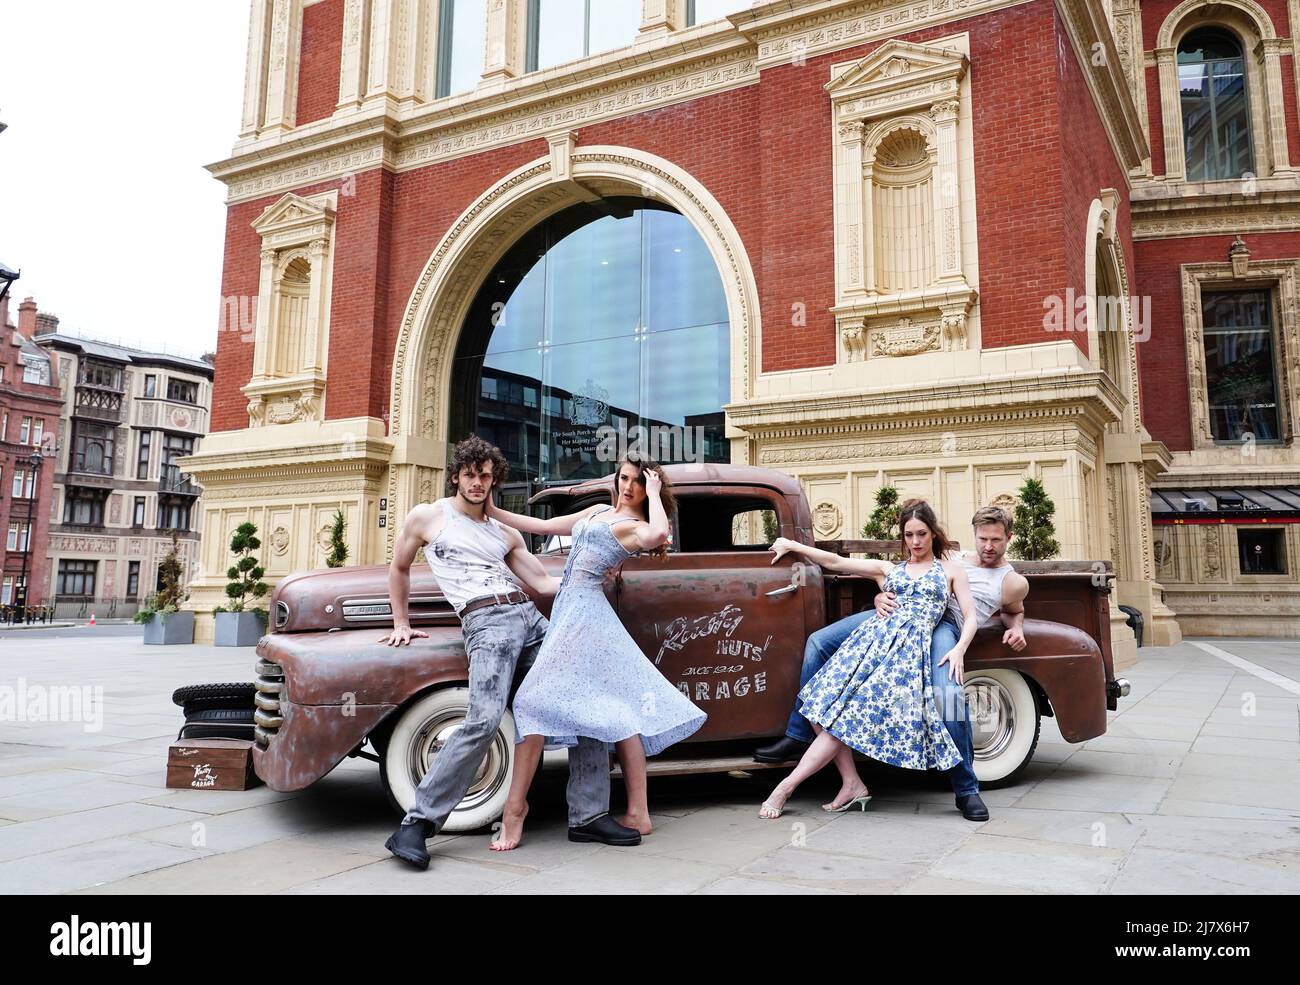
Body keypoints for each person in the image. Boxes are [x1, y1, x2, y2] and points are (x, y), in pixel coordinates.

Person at [380, 435, 641, 871]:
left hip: (528, 617)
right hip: (486, 623)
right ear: (457, 476)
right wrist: (401, 623)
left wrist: (598, 571)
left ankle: (590, 814)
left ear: (494, 479)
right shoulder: (429, 517)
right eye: (470, 475)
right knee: (483, 719)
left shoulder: (504, 531)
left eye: (485, 476)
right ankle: (416, 824)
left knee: (586, 698)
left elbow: (540, 584)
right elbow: (399, 567)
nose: (477, 483)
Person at [483, 453, 707, 851]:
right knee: (619, 712)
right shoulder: (602, 510)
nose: (628, 486)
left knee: (532, 703)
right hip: (576, 613)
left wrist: (655, 494)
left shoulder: (636, 526)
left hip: (586, 618)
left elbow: (659, 535)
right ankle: (638, 811)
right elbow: (545, 525)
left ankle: (515, 811)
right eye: (624, 477)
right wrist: (492, 509)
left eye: (637, 482)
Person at [755, 505, 1028, 821]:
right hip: (885, 628)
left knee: (949, 699)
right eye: (983, 538)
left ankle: (966, 790)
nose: (988, 546)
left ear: (1008, 538)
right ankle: (804, 737)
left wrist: (969, 646)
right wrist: (793, 545)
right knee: (820, 653)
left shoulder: (999, 578)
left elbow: (1001, 612)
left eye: (995, 540)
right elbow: (837, 562)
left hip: (940, 628)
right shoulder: (952, 558)